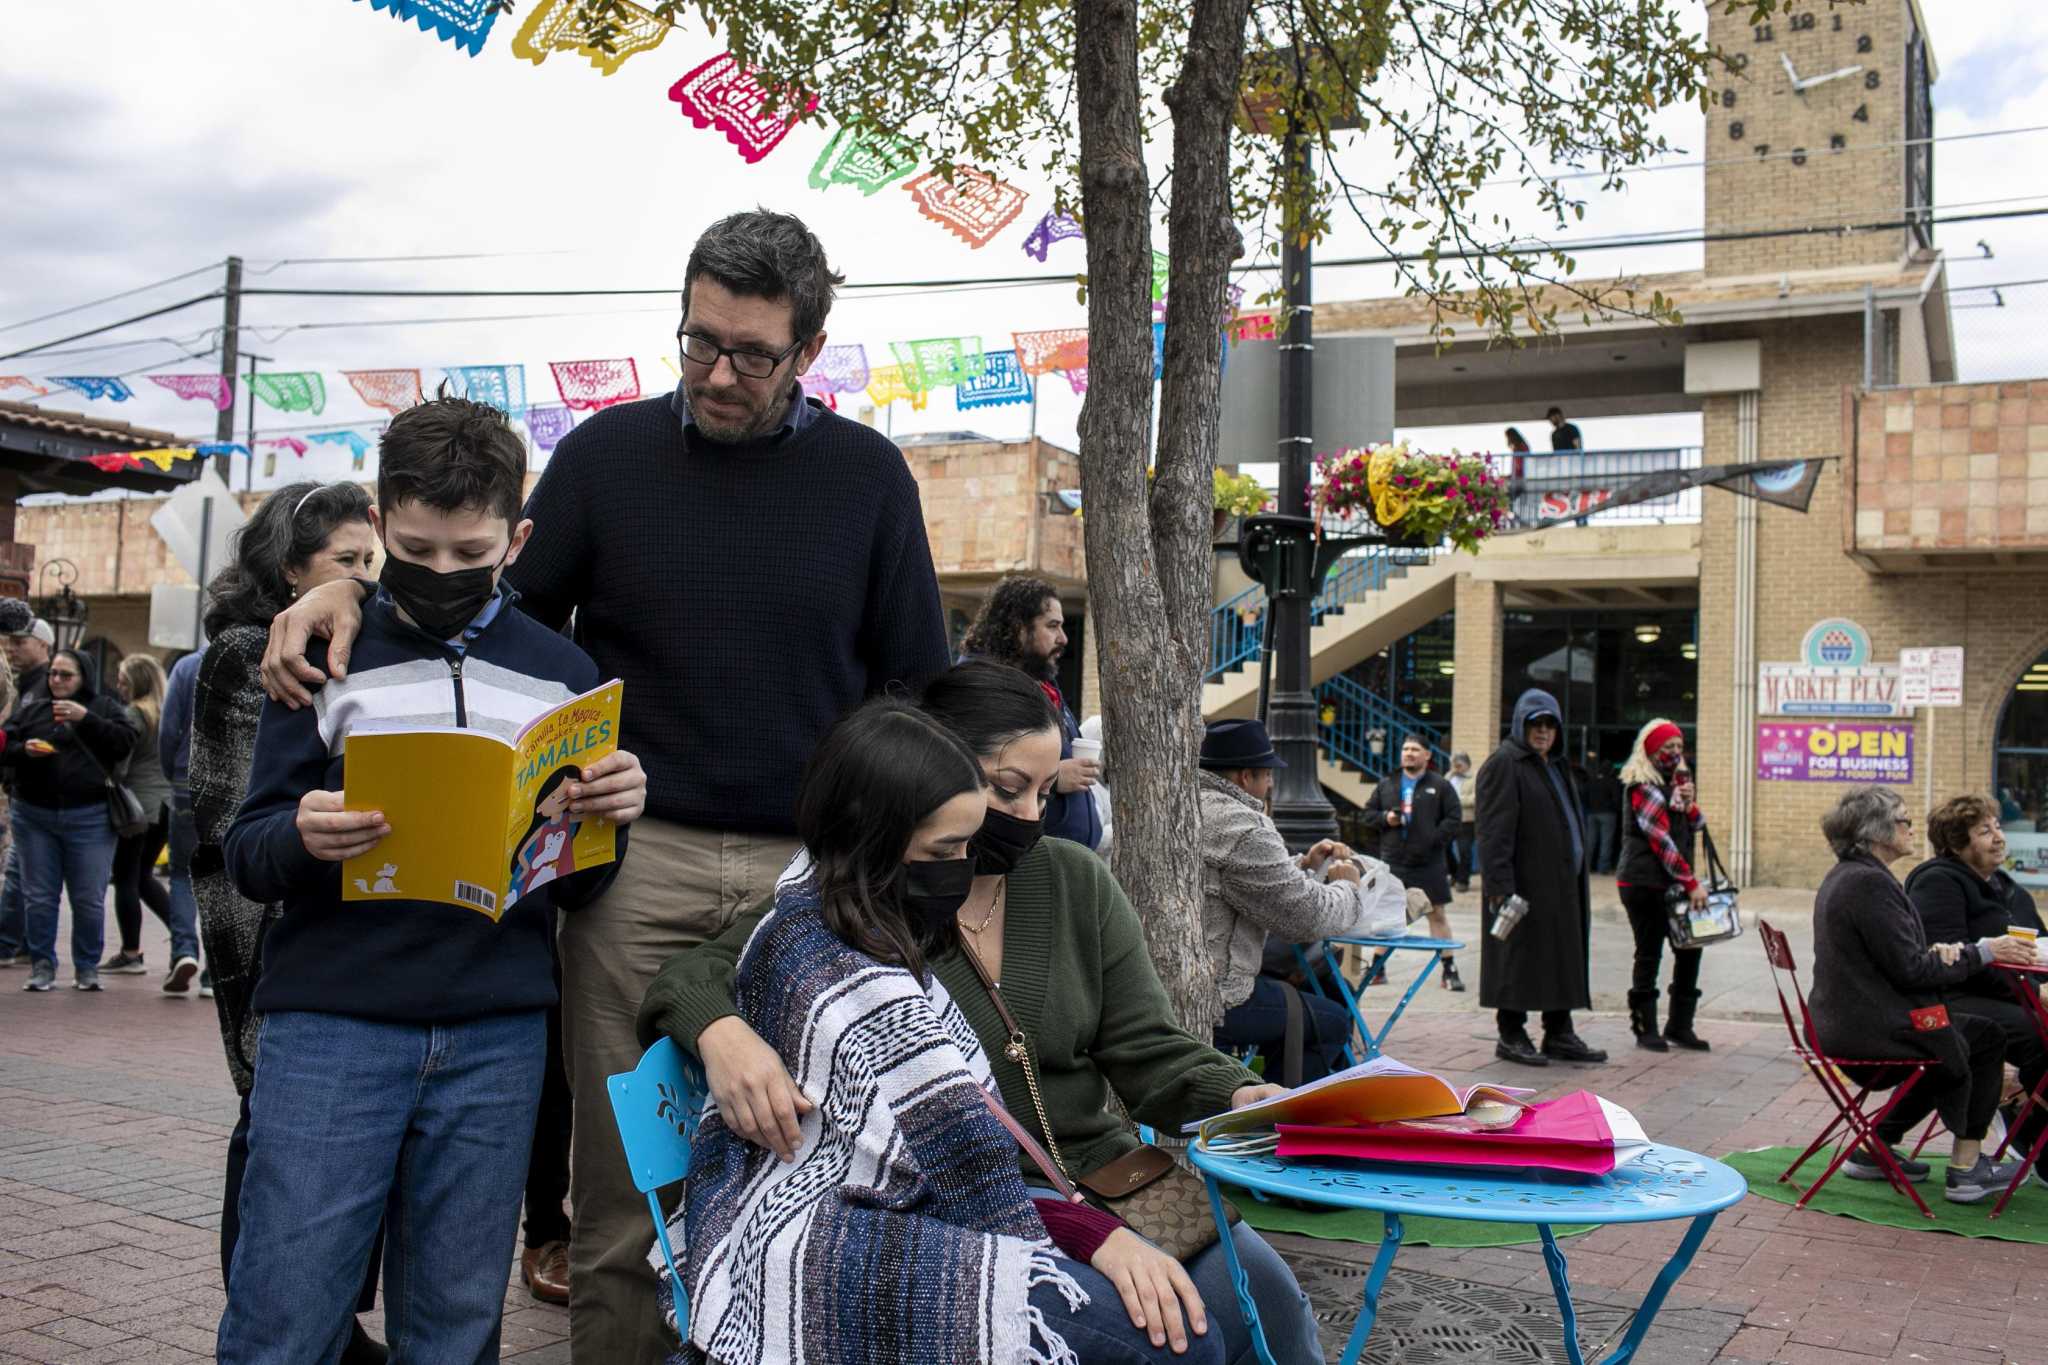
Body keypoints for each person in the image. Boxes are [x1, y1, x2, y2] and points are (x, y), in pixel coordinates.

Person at [257, 210, 951, 1363]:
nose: (716, 374)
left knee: (818, 1168)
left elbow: (914, 685)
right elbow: (476, 604)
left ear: (809, 352)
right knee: (630, 1197)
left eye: (751, 355)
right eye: (697, 341)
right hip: (631, 869)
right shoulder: (604, 455)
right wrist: (346, 592)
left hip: (808, 879)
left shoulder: (868, 476)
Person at [642, 661, 1324, 1364]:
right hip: (968, 1196)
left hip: (1113, 1176)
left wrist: (1238, 1095)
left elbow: (1146, 1044)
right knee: (1175, 1336)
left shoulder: (1075, 879)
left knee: (1268, 1304)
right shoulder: (867, 896)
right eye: (1008, 787)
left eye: (1045, 790)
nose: (1029, 814)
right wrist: (723, 1033)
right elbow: (706, 970)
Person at [216, 397, 650, 1361]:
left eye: (472, 552)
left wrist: (607, 819)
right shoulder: (322, 654)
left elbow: (581, 890)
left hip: (497, 1033)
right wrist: (301, 833)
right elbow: (247, 853)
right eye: (416, 549)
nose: (443, 571)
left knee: (455, 1326)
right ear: (379, 526)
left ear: (517, 540)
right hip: (333, 1025)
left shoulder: (567, 676)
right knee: (284, 1313)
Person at [190, 479, 388, 1361]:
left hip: (310, 909)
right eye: (345, 561)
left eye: (372, 559)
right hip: (263, 919)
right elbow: (245, 818)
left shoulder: (344, 636)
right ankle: (284, 1315)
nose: (365, 576)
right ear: (290, 569)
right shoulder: (252, 652)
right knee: (269, 1122)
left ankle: (328, 1322)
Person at [1810, 786, 2036, 1202]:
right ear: (1877, 832)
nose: (1912, 829)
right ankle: (1967, 1169)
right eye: (1904, 820)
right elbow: (1912, 970)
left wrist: (1943, 953)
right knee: (1982, 1038)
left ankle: (1876, 1149)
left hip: (1848, 1022)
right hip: (1870, 1031)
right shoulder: (1869, 884)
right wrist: (1984, 951)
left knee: (1957, 1037)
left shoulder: (1852, 876)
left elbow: (1899, 959)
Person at [1199, 717, 1411, 1082]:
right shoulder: (1243, 825)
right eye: (1268, 776)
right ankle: (1277, 1109)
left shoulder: (1192, 806)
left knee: (1324, 990)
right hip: (1219, 997)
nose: (1271, 785)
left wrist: (1303, 864)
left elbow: (1244, 877)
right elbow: (1305, 919)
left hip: (1187, 981)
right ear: (1246, 777)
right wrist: (1348, 887)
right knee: (1332, 1022)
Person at [1905, 795, 2048, 1173]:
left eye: (1998, 826)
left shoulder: (2003, 885)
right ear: (1956, 843)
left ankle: (2025, 1118)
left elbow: (2040, 942)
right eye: (1984, 831)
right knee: (2039, 1035)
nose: (1999, 837)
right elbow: (1953, 960)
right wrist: (2036, 993)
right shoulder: (1937, 882)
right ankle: (2026, 1125)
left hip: (2007, 994)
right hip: (1953, 999)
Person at [1476, 688, 1605, 1067]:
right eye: (1536, 723)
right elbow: (1493, 833)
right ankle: (1511, 1033)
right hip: (1523, 886)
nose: (1543, 731)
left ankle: (1559, 1031)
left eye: (1550, 723)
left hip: (1562, 886)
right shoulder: (1505, 763)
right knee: (1515, 960)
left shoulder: (1556, 764)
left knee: (1561, 958)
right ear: (1521, 724)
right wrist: (1500, 886)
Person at [4, 648, 137, 993]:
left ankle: (87, 967)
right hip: (34, 814)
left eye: (66, 675)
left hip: (90, 816)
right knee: (39, 896)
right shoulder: (33, 709)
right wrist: (23, 750)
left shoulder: (103, 707)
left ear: (84, 677)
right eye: (53, 673)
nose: (57, 681)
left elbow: (125, 742)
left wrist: (85, 719)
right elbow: (7, 743)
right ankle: (42, 966)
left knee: (88, 897)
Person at [961, 574, 1102, 850]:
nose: (1063, 638)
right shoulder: (980, 683)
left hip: (1067, 856)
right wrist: (1054, 778)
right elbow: (973, 768)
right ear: (1019, 628)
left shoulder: (1041, 677)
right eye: (1052, 626)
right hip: (1023, 857)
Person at [100, 653, 196, 993]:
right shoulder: (158, 709)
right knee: (144, 876)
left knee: (127, 876)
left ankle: (133, 952)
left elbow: (122, 762)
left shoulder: (134, 714)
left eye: (124, 680)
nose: (119, 686)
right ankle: (185, 939)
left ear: (136, 682)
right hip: (167, 802)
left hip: (139, 805)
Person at [1615, 720, 1712, 1053]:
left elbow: (1698, 824)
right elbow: (1661, 842)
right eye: (1667, 747)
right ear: (1651, 750)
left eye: (1678, 746)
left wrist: (1688, 801)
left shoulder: (1674, 785)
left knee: (1690, 948)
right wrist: (1691, 882)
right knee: (1649, 952)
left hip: (1671, 883)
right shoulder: (1643, 787)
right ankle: (1645, 1028)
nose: (1674, 753)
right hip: (1643, 882)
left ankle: (1680, 1026)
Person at [1359, 735, 1465, 992]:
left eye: (1415, 749)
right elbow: (1367, 815)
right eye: (1405, 749)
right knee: (1388, 918)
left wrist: (1434, 839)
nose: (1408, 753)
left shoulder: (1440, 785)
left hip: (1429, 862)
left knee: (1437, 914)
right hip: (1394, 862)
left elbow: (1454, 817)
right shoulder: (1387, 783)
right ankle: (1377, 970)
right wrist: (1386, 818)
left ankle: (1449, 971)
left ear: (1427, 755)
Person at [0, 614, 51, 968]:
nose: (12, 648)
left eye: (21, 642)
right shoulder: (24, 685)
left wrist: (13, 749)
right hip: (22, 788)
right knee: (22, 874)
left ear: (43, 645)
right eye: (11, 642)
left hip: (36, 794)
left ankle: (13, 942)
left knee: (27, 874)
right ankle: (18, 942)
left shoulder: (46, 686)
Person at [158, 647, 208, 998]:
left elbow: (168, 729)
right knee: (226, 874)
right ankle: (215, 973)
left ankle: (184, 950)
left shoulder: (187, 666)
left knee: (181, 873)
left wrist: (173, 771)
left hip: (186, 780)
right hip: (238, 783)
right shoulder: (255, 657)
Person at [1582, 754, 1623, 874]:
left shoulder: (1591, 781)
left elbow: (1584, 796)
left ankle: (1587, 867)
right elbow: (1617, 799)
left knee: (1590, 841)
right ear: (1611, 770)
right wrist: (1615, 809)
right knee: (1606, 841)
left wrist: (1590, 808)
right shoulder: (1612, 782)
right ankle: (1603, 868)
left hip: (1592, 813)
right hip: (1608, 814)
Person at [1447, 750, 1477, 893]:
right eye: (1454, 765)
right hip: (1448, 818)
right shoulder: (1449, 777)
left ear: (1467, 765)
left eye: (1459, 765)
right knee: (1443, 849)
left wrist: (1456, 799)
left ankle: (1463, 880)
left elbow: (1475, 799)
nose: (1457, 768)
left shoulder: (1474, 778)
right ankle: (1454, 874)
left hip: (1466, 820)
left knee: (1464, 851)